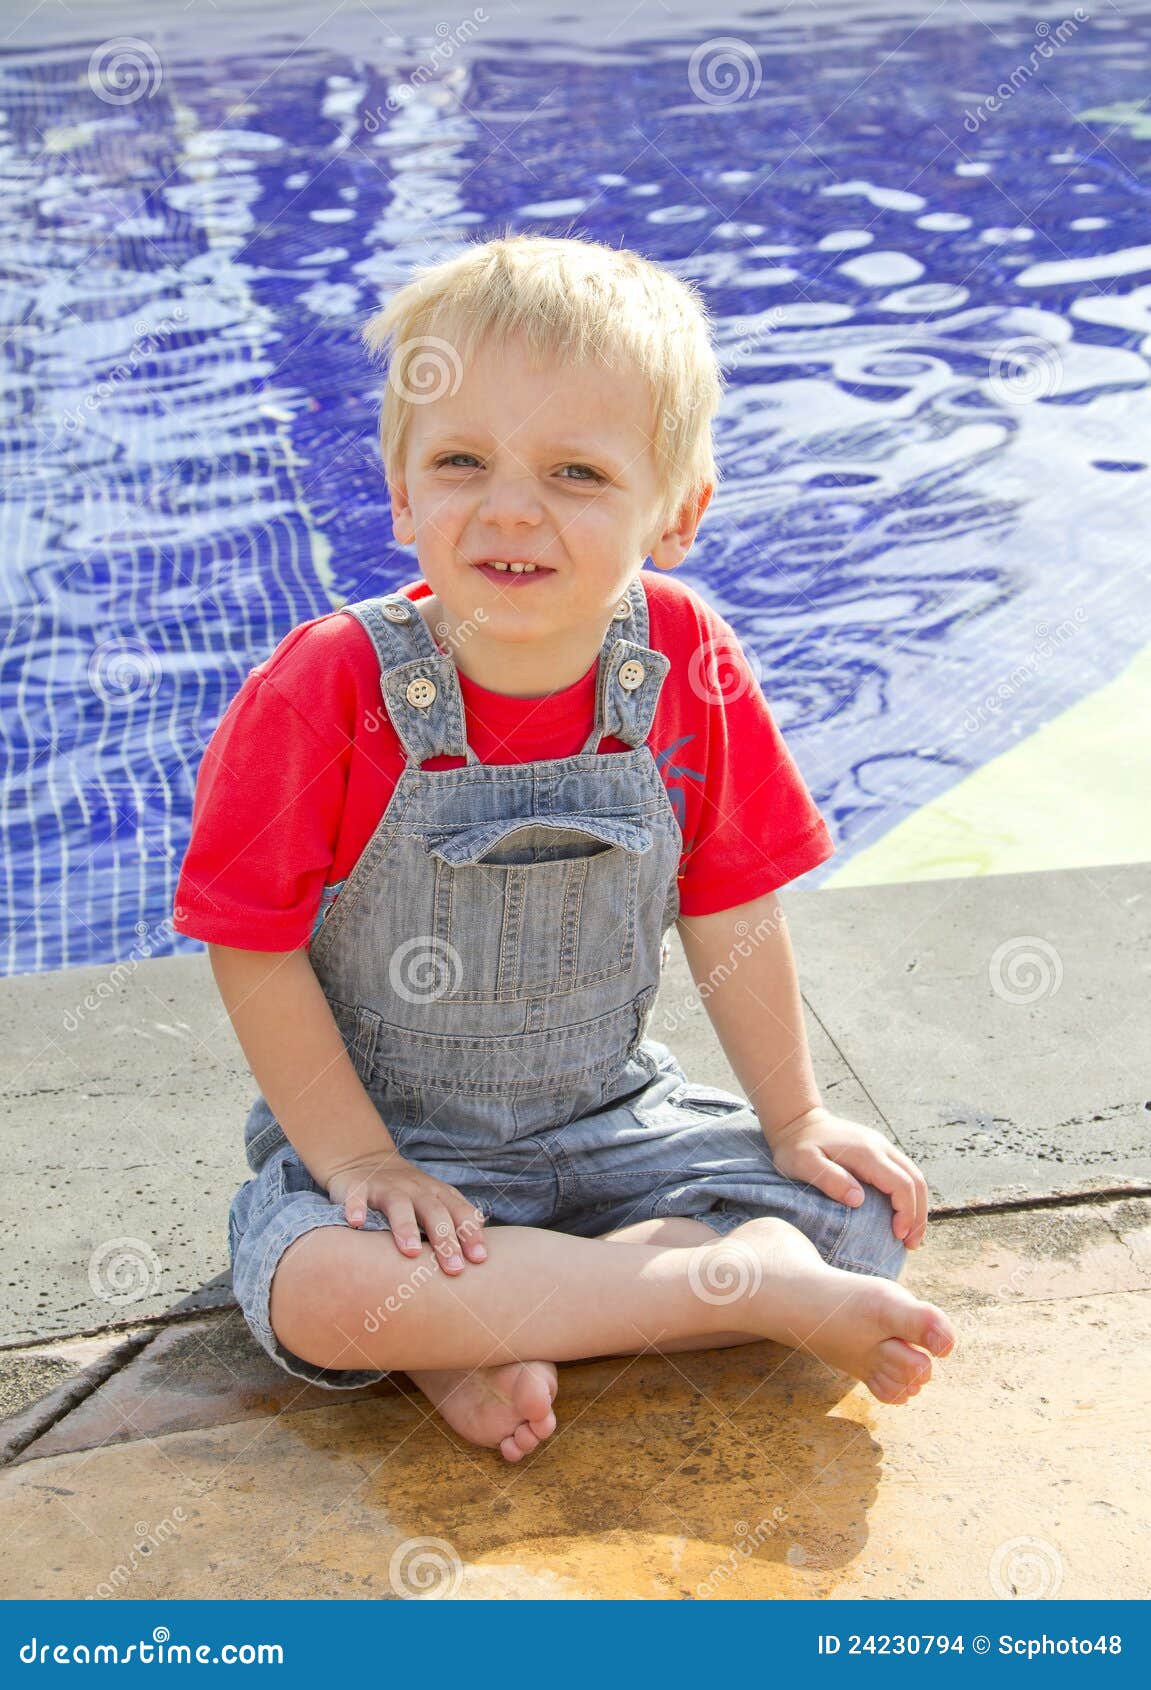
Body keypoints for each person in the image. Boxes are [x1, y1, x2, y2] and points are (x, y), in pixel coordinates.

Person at [173, 233, 955, 1465]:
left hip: (608, 1123)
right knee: (315, 1292)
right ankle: (723, 1283)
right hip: (395, 1145)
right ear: (399, 488)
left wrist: (794, 1115)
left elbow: (730, 905)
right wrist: (359, 1156)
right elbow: (250, 945)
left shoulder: (683, 657)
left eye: (577, 471)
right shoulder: (328, 688)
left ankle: (469, 1336)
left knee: (858, 1218)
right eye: (462, 461)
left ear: (676, 512)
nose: (509, 508)